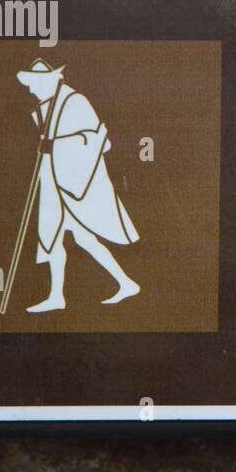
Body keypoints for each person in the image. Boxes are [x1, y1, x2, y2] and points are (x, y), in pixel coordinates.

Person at [15, 59, 140, 312]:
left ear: (48, 81)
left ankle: (125, 284)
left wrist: (57, 146)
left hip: (74, 185)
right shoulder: (44, 108)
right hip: (53, 183)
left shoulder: (75, 102)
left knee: (80, 238)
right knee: (58, 238)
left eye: (33, 84)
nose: (30, 90)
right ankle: (58, 297)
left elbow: (100, 142)